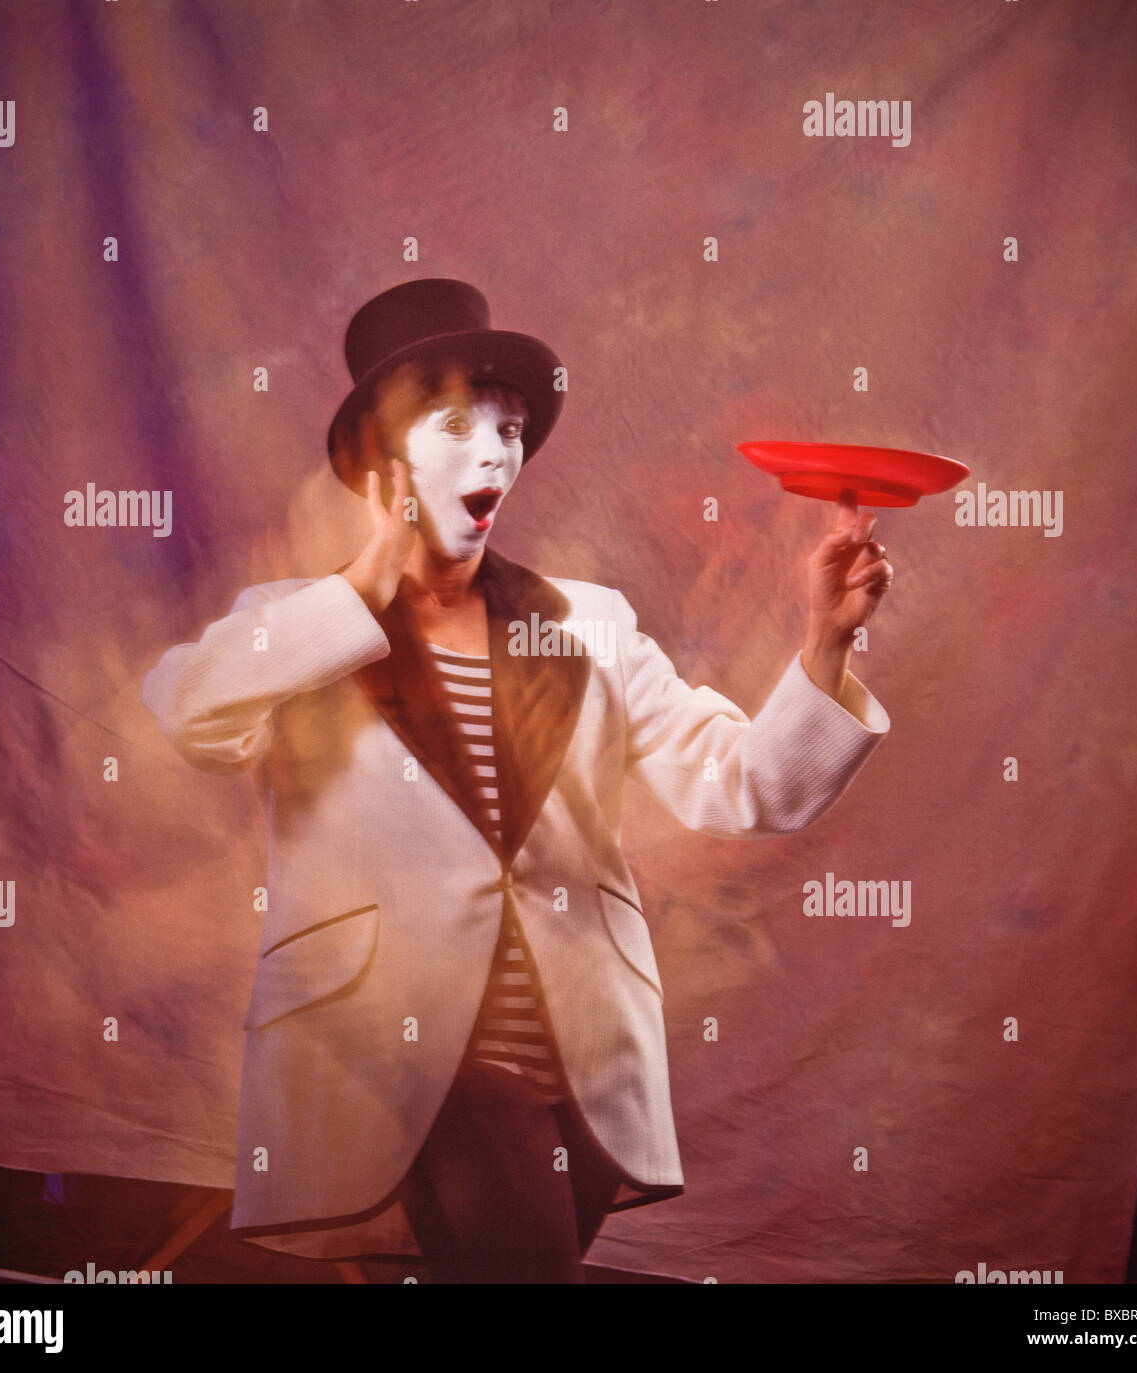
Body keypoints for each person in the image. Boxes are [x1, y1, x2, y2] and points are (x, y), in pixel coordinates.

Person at [141, 278, 894, 1282]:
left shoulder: (590, 620)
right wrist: (364, 578)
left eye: (508, 426)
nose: (495, 448)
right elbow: (190, 711)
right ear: (383, 454)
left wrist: (824, 641)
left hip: (580, 1067)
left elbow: (748, 787)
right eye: (455, 422)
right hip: (403, 1057)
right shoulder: (297, 624)